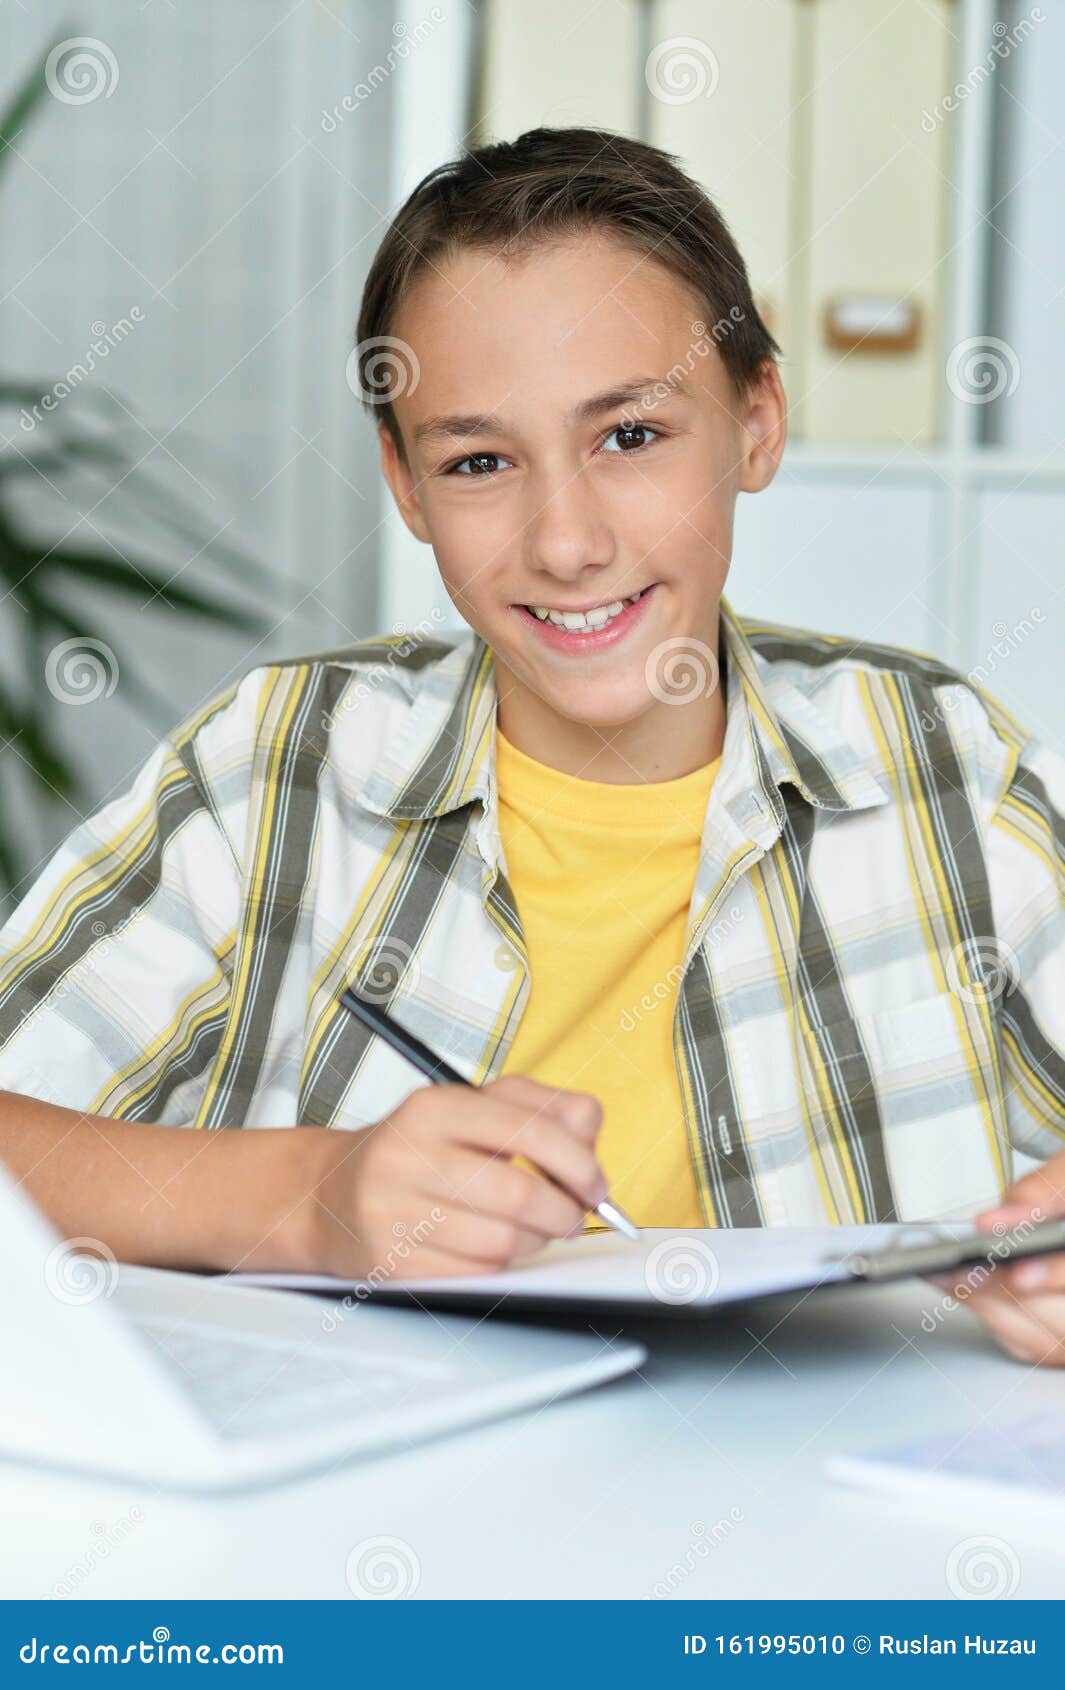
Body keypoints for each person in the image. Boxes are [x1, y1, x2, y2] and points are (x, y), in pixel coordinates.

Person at [0, 127, 1062, 1364]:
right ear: (406, 485)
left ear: (757, 421)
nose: (566, 541)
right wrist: (310, 1196)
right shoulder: (278, 768)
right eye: (481, 460)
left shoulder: (942, 770)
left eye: (630, 437)